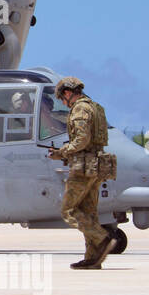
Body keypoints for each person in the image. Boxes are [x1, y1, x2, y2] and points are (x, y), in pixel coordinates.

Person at [47, 76, 115, 269]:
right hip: (96, 165)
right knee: (88, 212)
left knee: (69, 210)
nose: (63, 103)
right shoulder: (95, 107)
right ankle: (93, 257)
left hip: (83, 166)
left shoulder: (80, 109)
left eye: (62, 99)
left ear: (68, 93)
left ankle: (101, 238)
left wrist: (61, 152)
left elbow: (82, 140)